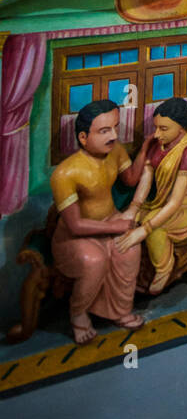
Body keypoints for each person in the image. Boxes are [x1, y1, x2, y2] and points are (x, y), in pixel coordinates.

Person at [49, 99, 154, 343]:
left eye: (115, 127)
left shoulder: (115, 151)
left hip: (110, 220)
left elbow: (130, 179)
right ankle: (78, 314)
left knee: (129, 249)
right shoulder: (66, 173)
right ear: (84, 137)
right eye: (104, 131)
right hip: (75, 237)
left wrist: (144, 151)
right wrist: (115, 226)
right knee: (94, 260)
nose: (113, 135)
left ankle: (119, 311)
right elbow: (75, 225)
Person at [115, 97, 187, 296]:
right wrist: (134, 208)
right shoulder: (159, 144)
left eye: (164, 128)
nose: (157, 134)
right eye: (156, 128)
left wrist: (144, 230)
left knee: (154, 229)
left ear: (181, 128)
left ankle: (164, 269)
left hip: (183, 211)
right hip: (159, 204)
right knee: (129, 220)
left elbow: (176, 201)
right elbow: (146, 179)